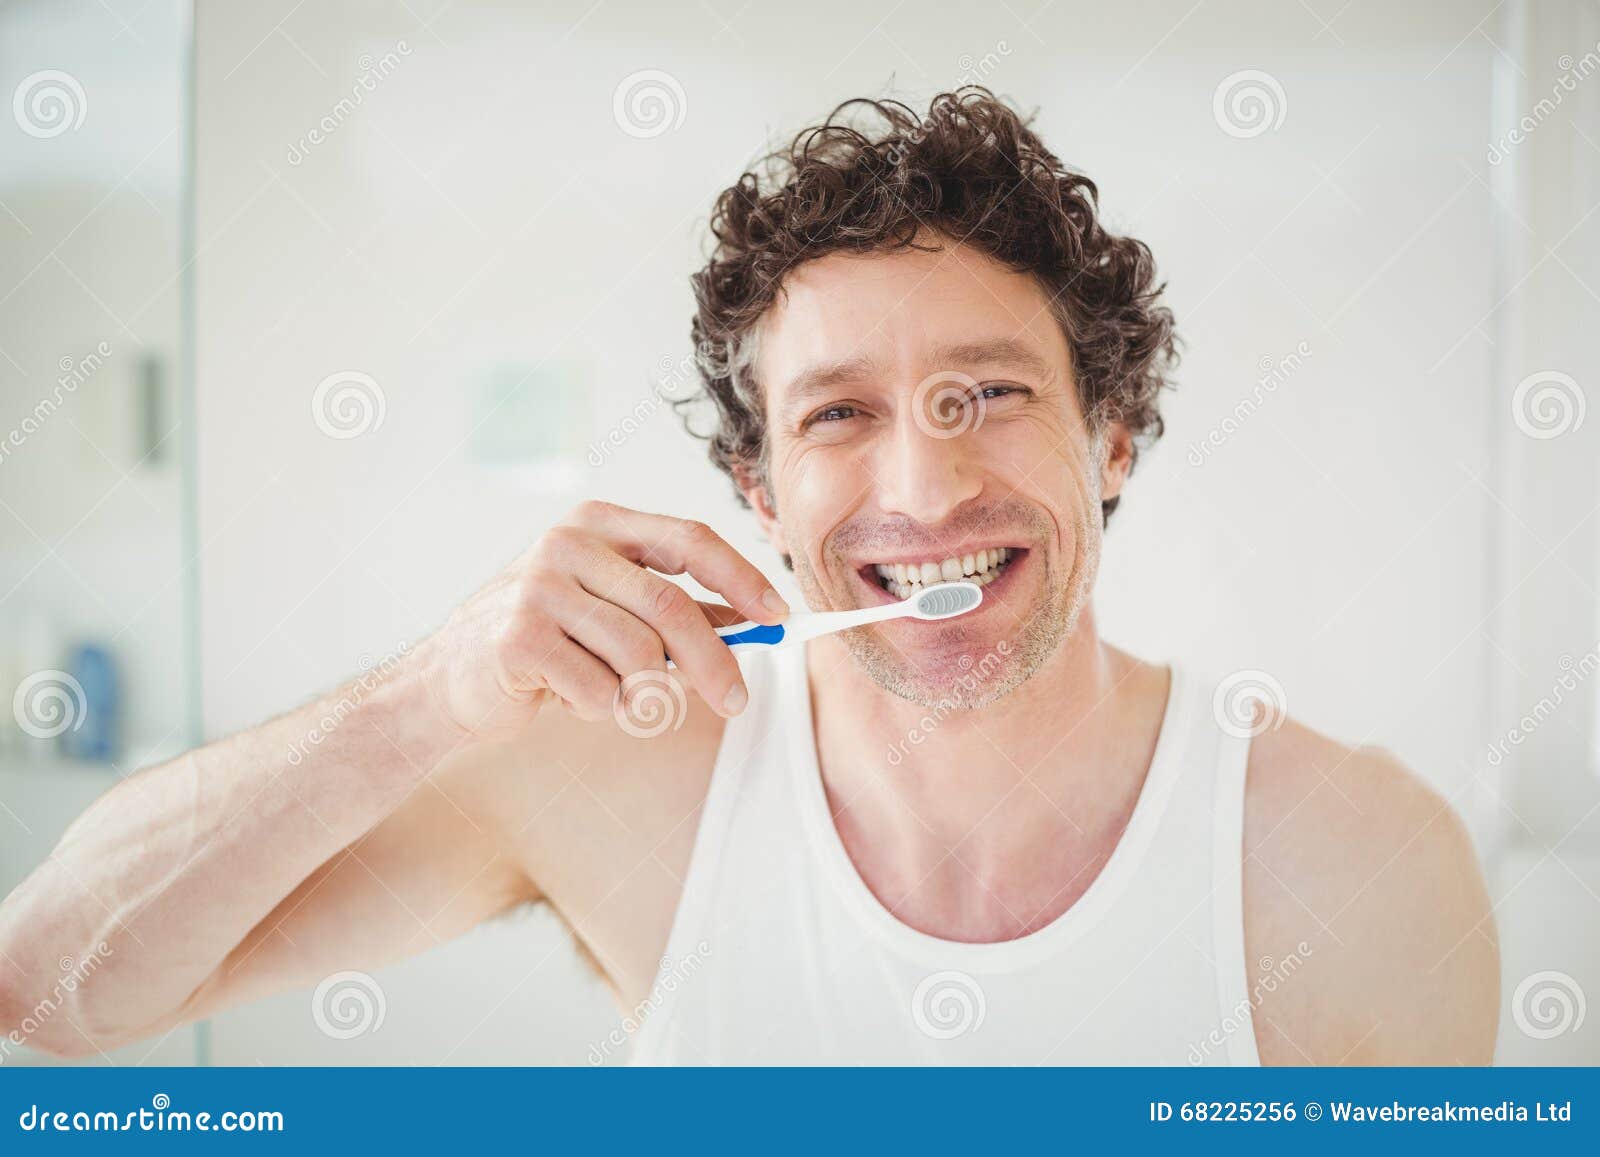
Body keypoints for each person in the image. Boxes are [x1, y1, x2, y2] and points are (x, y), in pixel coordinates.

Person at [0, 89, 1498, 1065]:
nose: (920, 486)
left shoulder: (1351, 862)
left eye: (990, 391)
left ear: (1111, 436)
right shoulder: (617, 775)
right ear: (757, 492)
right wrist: (436, 691)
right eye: (839, 412)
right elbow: (53, 989)